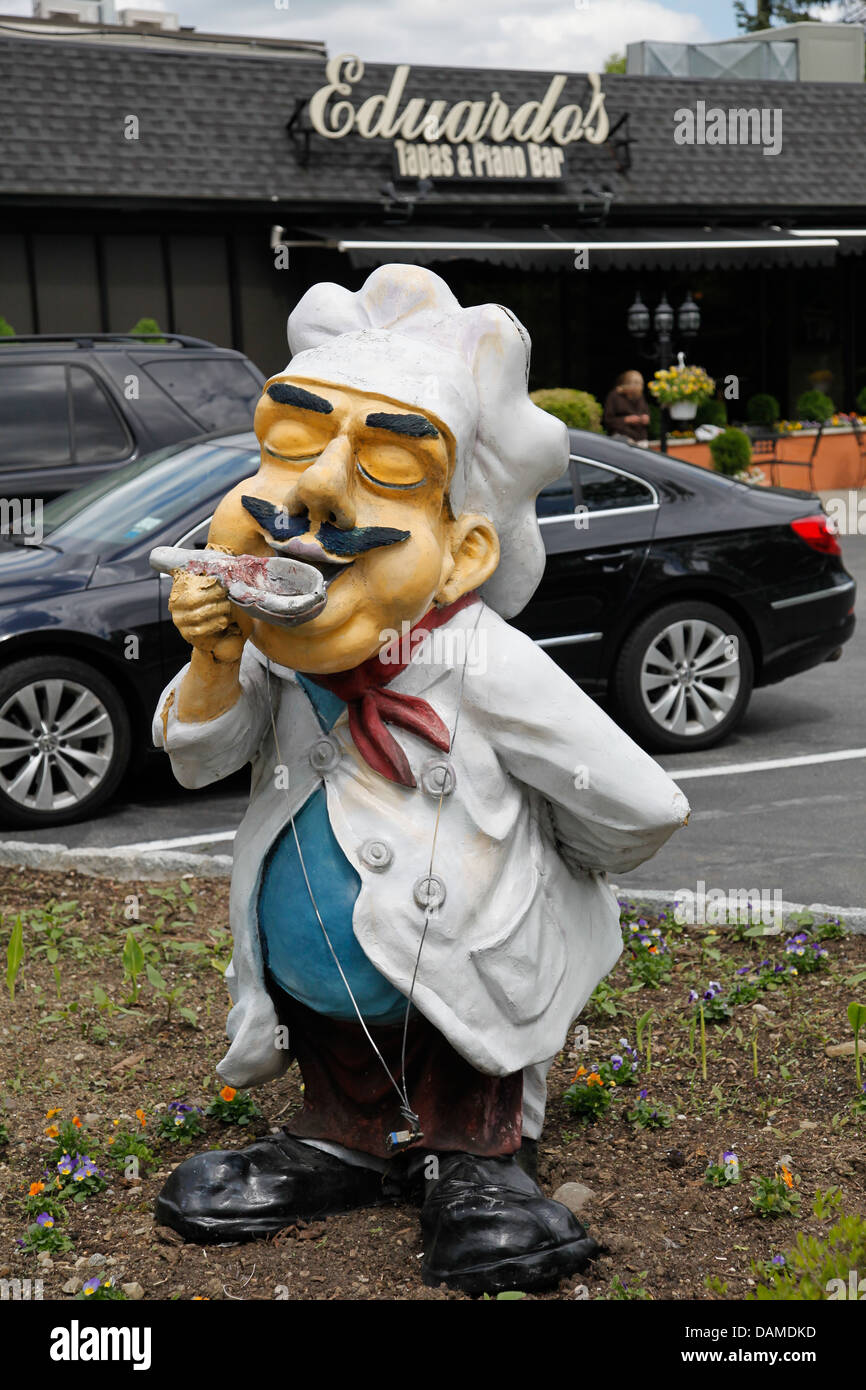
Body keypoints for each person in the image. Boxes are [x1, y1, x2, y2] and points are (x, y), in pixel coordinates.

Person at [151, 264, 689, 1295]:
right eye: (292, 444)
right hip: (324, 990)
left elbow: (638, 800)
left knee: (464, 1034)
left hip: (466, 968)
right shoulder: (273, 643)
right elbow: (200, 755)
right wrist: (216, 658)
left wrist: (553, 884)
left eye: (390, 466)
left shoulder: (482, 661)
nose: (309, 491)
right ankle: (343, 1136)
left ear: (461, 551)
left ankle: (474, 1164)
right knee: (343, 1057)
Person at [604, 369, 651, 444]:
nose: (638, 387)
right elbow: (607, 420)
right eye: (635, 383)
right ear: (626, 383)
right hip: (621, 435)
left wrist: (645, 418)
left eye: (640, 384)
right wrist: (626, 420)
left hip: (640, 438)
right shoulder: (614, 396)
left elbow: (646, 413)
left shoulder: (640, 397)